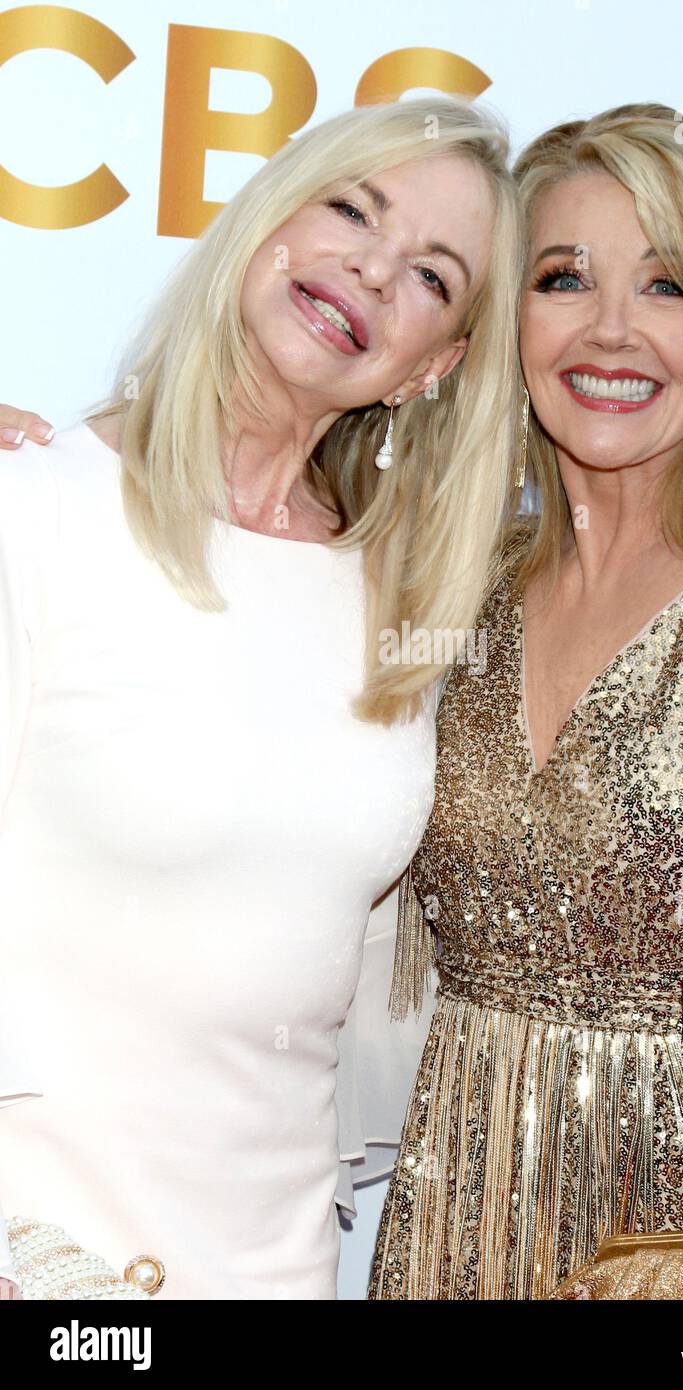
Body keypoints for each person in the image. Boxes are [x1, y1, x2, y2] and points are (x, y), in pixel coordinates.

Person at [0, 95, 522, 1299]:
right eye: (351, 208)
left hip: (275, 1258)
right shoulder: (38, 510)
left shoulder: (400, 608)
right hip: (46, 1253)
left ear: (431, 366)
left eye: (432, 277)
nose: (373, 269)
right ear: (266, 225)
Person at [368, 104, 683, 1301]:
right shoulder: (454, 593)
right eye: (562, 277)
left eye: (667, 285)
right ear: (504, 328)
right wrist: (80, 456)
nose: (608, 329)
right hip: (458, 1223)